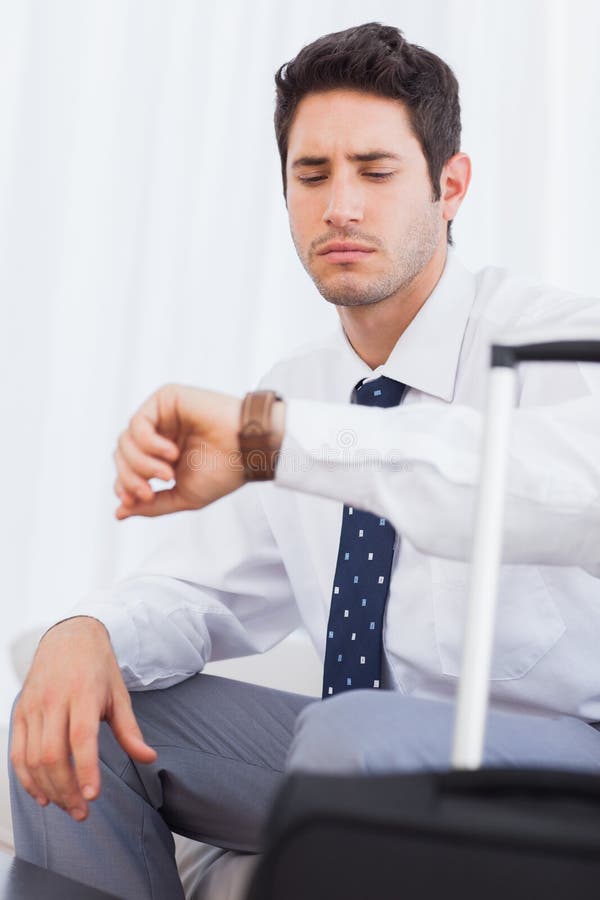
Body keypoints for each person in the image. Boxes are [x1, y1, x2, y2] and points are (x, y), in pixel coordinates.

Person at [9, 22, 600, 900]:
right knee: (71, 719)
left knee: (350, 733)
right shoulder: (304, 386)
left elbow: (517, 482)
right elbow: (199, 587)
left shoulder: (557, 348)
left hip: (558, 772)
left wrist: (281, 441)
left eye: (375, 170)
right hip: (358, 761)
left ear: (451, 185)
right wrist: (82, 633)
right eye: (312, 175)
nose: (342, 207)